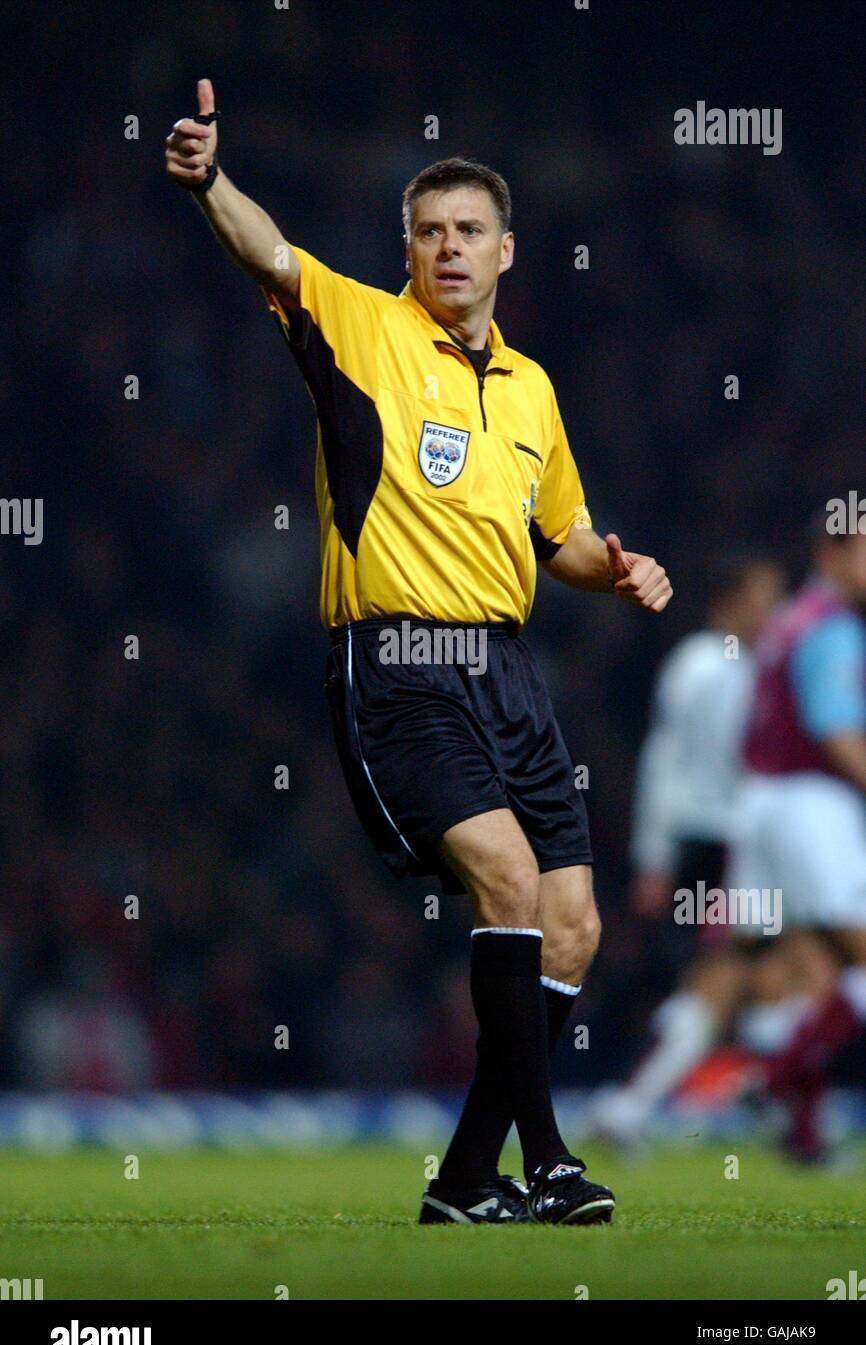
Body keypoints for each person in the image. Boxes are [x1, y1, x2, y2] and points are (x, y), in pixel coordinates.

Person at [165, 80, 672, 1224]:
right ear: (407, 248)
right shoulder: (359, 323)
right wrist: (209, 183)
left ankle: (457, 1182)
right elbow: (271, 255)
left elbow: (562, 540)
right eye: (429, 232)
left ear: (506, 251)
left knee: (575, 924)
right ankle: (547, 1163)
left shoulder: (531, 388)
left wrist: (619, 567)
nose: (448, 249)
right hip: (396, 664)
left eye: (467, 232)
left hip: (507, 672)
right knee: (505, 879)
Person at [593, 557, 783, 1144]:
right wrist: (654, 857)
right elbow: (663, 762)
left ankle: (776, 1099)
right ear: (730, 601)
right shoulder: (703, 667)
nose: (774, 609)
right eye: (765, 596)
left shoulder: (744, 665)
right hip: (716, 844)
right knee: (731, 974)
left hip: (741, 843)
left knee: (759, 975)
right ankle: (630, 1105)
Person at [726, 516, 866, 1161]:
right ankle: (774, 1079)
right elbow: (836, 732)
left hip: (770, 802)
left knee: (816, 971)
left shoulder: (792, 618)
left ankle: (802, 1134)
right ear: (834, 552)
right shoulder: (830, 625)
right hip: (812, 806)